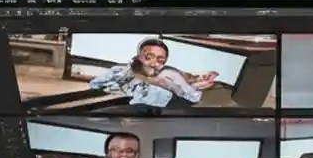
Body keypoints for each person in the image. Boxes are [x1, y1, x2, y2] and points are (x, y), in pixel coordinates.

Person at [87, 38, 218, 109]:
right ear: (140, 56)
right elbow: (95, 84)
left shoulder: (169, 74)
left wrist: (199, 83)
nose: (154, 62)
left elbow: (190, 94)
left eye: (160, 58)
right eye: (149, 57)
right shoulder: (120, 71)